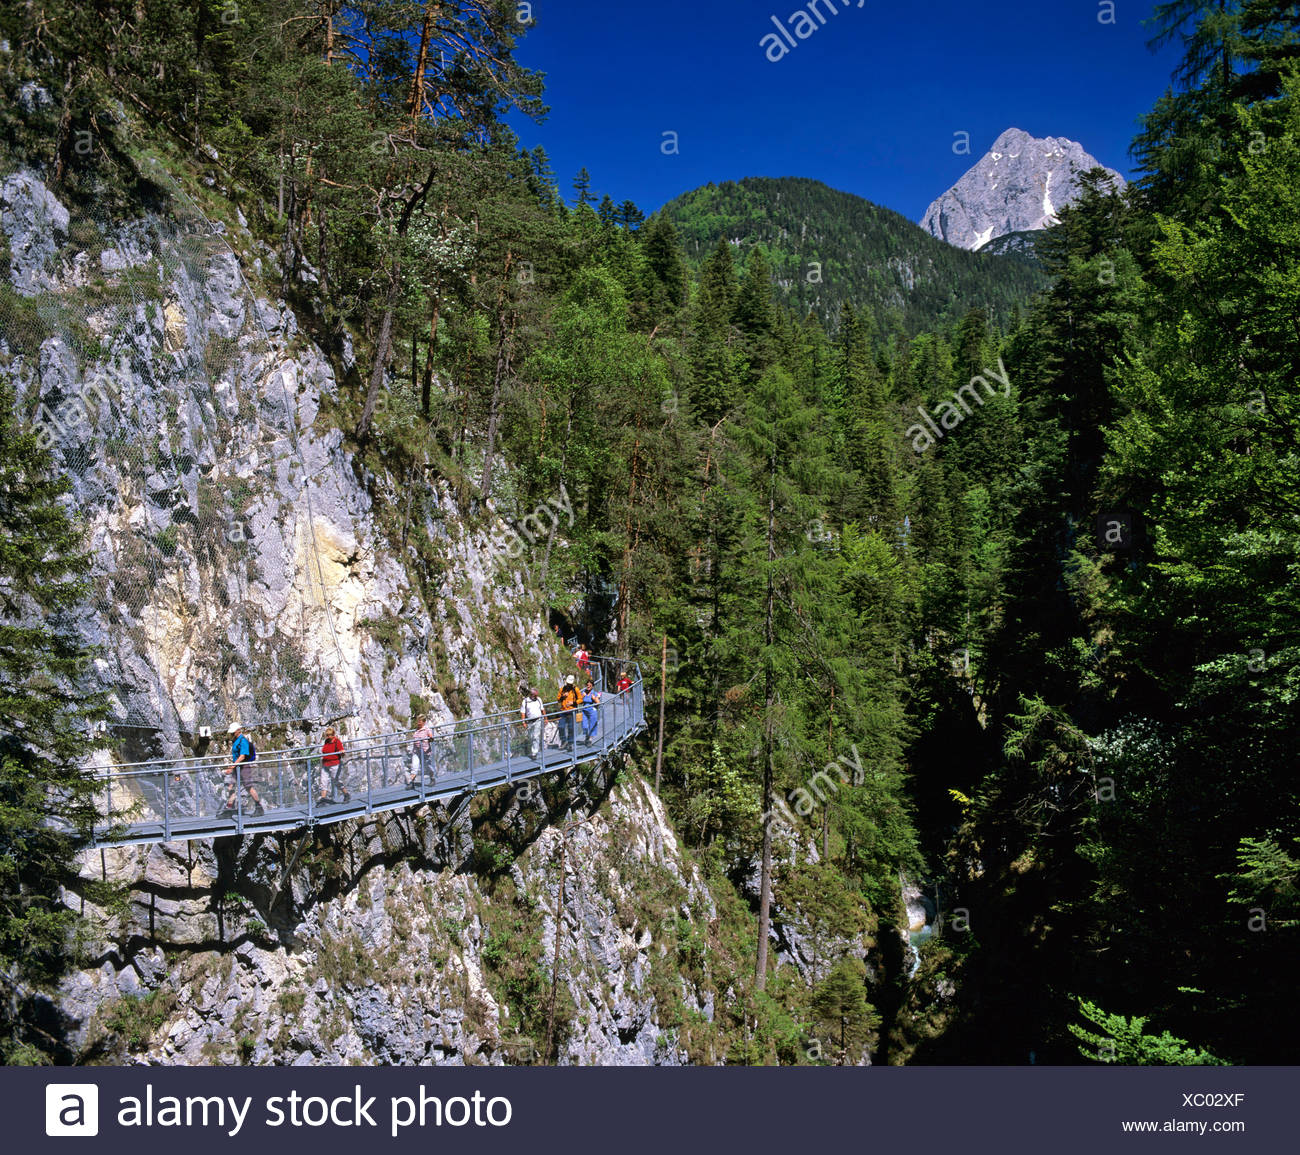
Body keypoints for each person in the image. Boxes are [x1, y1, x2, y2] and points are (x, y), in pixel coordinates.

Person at [219, 723, 263, 817]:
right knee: (231, 786)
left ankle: (259, 807)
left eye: (233, 732)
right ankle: (229, 809)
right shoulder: (236, 740)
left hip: (244, 767)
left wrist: (231, 767)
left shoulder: (243, 741)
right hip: (237, 767)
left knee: (248, 787)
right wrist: (233, 767)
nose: (232, 734)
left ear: (238, 731)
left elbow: (242, 756)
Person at [321, 725, 348, 803]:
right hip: (325, 763)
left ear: (333, 735)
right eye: (327, 735)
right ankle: (323, 798)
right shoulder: (326, 741)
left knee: (336, 780)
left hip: (334, 764)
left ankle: (346, 794)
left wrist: (342, 752)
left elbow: (341, 751)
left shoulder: (337, 741)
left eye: (330, 735)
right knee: (323, 781)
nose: (328, 737)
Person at [408, 713, 434, 787]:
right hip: (416, 751)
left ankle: (432, 779)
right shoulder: (417, 729)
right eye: (418, 721)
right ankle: (411, 783)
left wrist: (428, 740)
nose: (418, 723)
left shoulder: (427, 729)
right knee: (414, 767)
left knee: (428, 767)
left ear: (424, 722)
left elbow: (431, 737)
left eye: (420, 721)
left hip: (425, 752)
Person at [520, 688, 544, 759]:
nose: (536, 697)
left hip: (538, 720)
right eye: (535, 695)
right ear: (531, 695)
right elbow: (523, 712)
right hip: (529, 721)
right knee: (531, 737)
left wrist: (546, 718)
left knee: (536, 736)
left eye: (537, 695)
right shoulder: (525, 701)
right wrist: (523, 722)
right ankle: (531, 750)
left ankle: (534, 753)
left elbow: (542, 709)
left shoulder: (539, 699)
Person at [557, 674, 580, 748]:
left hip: (572, 711)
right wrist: (563, 696)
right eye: (568, 683)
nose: (568, 685)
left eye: (570, 684)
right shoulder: (562, 689)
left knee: (571, 728)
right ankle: (563, 741)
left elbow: (580, 699)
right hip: (563, 711)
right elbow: (558, 699)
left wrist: (573, 703)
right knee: (561, 726)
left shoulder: (575, 690)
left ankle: (570, 743)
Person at [580, 679, 600, 744]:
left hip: (592, 710)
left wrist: (594, 698)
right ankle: (587, 736)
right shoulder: (583, 693)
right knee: (584, 725)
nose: (588, 686)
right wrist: (582, 696)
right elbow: (579, 701)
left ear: (592, 686)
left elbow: (598, 703)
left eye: (590, 685)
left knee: (592, 724)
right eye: (587, 685)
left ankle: (590, 739)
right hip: (584, 710)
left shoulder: (594, 693)